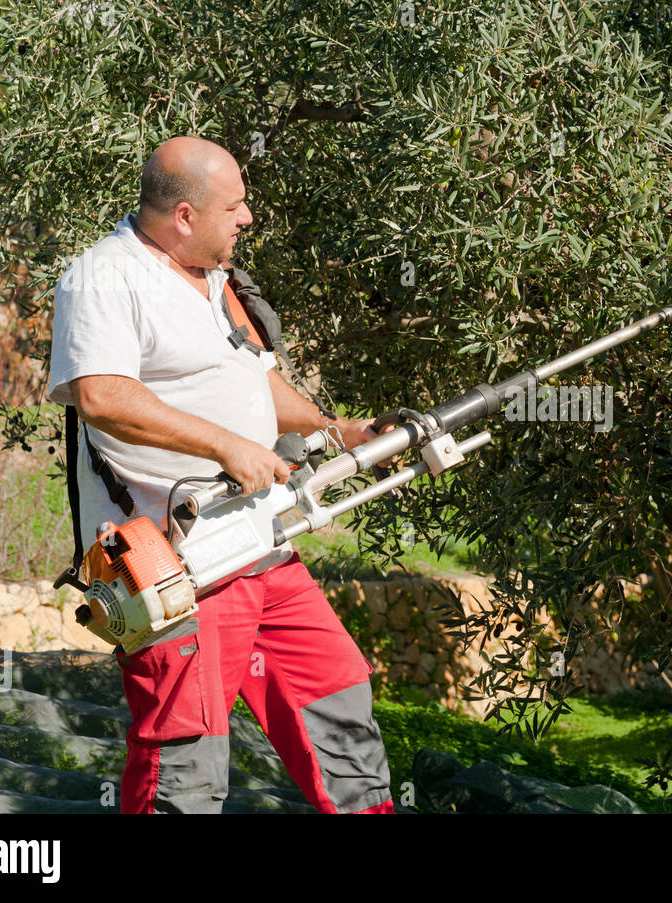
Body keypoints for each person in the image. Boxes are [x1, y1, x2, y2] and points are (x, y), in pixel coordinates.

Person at [47, 135, 394, 814]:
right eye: (234, 206)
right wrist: (226, 446)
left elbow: (261, 385)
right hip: (179, 569)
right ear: (183, 214)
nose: (248, 217)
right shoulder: (103, 277)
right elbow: (102, 394)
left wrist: (340, 431)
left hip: (263, 549)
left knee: (339, 699)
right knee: (186, 762)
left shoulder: (218, 280)